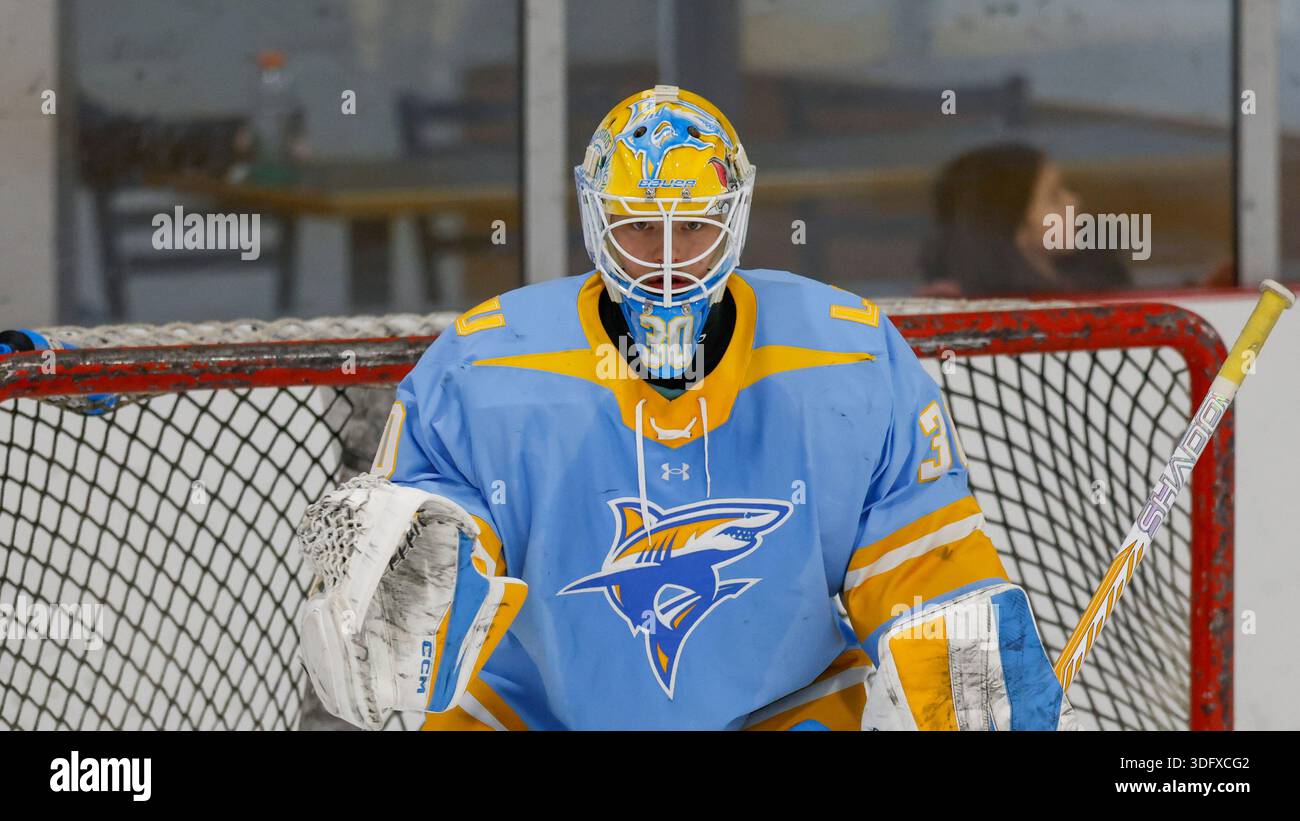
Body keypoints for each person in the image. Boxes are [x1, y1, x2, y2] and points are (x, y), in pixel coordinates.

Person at [295, 87, 1076, 730]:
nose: (668, 263)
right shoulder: (486, 366)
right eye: (640, 228)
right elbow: (427, 572)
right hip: (534, 715)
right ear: (597, 220)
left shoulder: (849, 360)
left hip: (784, 711)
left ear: (734, 220)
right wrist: (411, 587)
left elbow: (927, 572)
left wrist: (968, 683)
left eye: (694, 228)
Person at [918, 143, 1131, 298]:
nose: (1074, 201)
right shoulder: (959, 309)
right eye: (1054, 197)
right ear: (1012, 224)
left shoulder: (1100, 279)